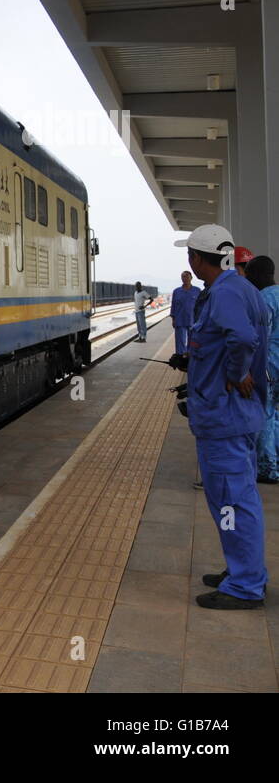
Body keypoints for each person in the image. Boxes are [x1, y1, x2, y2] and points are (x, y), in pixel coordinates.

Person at [171, 225, 269, 609]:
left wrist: (235, 372)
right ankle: (242, 568)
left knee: (232, 500)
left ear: (196, 259)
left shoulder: (225, 293)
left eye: (190, 256)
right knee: (236, 498)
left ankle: (245, 584)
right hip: (236, 415)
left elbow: (243, 339)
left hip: (224, 416)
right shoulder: (242, 288)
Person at [245, 255, 279, 484]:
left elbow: (259, 339)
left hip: (270, 367)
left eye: (249, 275)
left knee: (265, 415)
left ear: (259, 275)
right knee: (275, 415)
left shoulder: (263, 300)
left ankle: (268, 468)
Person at [171, 271, 201, 355]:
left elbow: (200, 306)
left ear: (191, 278)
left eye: (187, 276)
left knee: (193, 341)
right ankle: (180, 356)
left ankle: (191, 356)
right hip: (179, 320)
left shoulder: (197, 290)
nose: (185, 278)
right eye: (183, 277)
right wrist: (173, 319)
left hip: (193, 320)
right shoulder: (176, 291)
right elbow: (173, 305)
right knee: (180, 341)